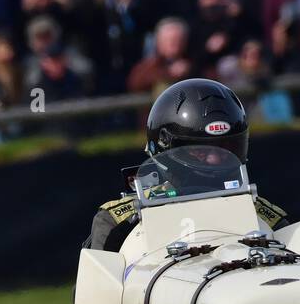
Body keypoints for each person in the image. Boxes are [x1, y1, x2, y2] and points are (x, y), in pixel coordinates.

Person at [82, 77, 286, 255]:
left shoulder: (265, 217)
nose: (215, 160)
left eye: (227, 148)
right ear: (166, 146)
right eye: (202, 151)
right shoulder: (117, 221)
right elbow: (91, 293)